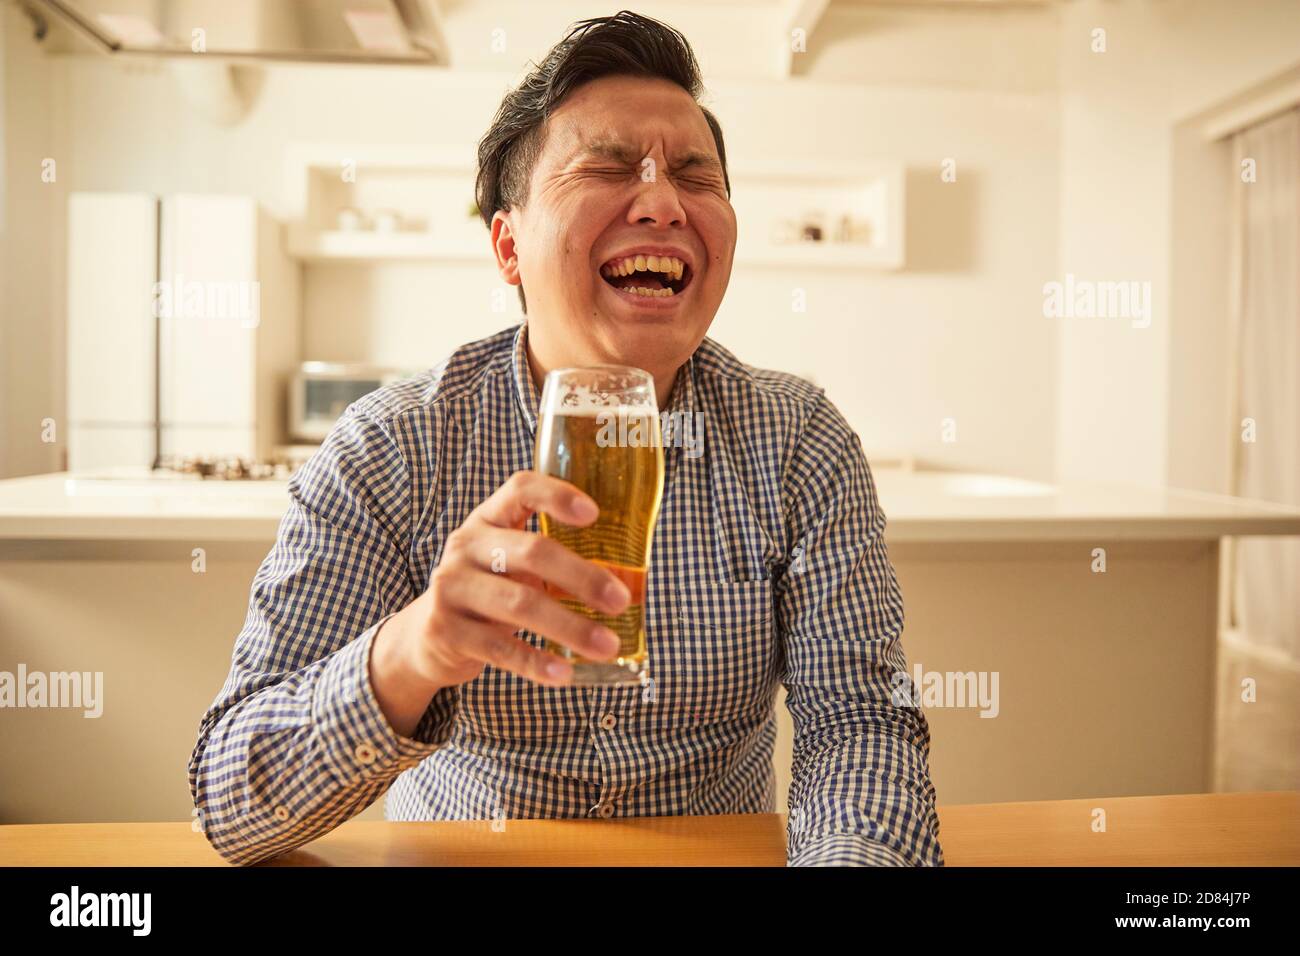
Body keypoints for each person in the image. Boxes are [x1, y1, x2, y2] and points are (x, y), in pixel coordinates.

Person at [188, 10, 944, 867]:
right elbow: (230, 803)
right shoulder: (394, 447)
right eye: (608, 167)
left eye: (697, 175)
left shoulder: (797, 440)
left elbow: (858, 725)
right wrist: (415, 649)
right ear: (507, 245)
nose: (663, 202)